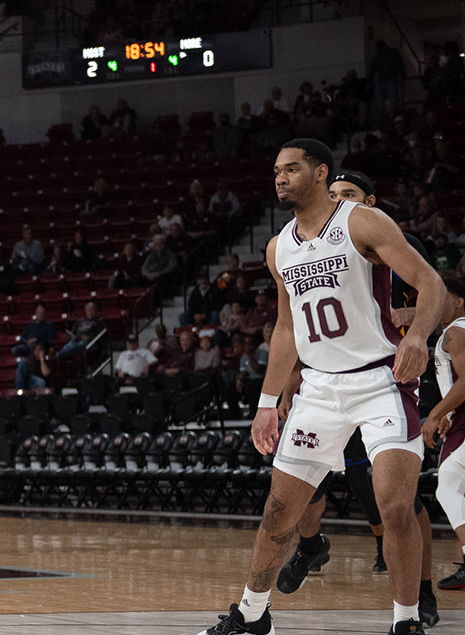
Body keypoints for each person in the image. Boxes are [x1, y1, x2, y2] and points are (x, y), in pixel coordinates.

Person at [197, 139, 445, 635]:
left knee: (396, 507)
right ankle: (250, 613)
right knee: (278, 510)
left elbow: (431, 284)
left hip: (382, 380)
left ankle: (406, 621)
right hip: (318, 391)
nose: (280, 178)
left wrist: (417, 334)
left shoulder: (361, 221)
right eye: (276, 172)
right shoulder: (278, 246)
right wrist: (268, 402)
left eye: (291, 169)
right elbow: (287, 329)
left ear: (320, 173)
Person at [423, 278, 465, 592]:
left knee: (448, 484)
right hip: (458, 417)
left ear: (460, 301)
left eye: (443, 297)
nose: (436, 303)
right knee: (454, 487)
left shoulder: (457, 330)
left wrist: (438, 412)